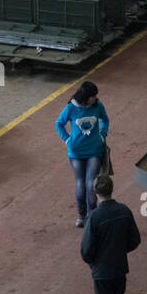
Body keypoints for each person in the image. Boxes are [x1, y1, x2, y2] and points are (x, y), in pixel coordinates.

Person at [79, 174, 141, 294]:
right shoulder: (124, 210)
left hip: (102, 272)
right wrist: (119, 250)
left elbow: (86, 250)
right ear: (112, 189)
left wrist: (94, 262)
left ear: (95, 192)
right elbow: (135, 239)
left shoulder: (94, 217)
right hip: (120, 268)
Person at [55, 81, 110, 227]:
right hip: (77, 152)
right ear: (85, 96)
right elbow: (59, 123)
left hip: (93, 150)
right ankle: (84, 215)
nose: (95, 98)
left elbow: (105, 120)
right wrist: (67, 140)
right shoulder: (71, 107)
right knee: (82, 183)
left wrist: (103, 134)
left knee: (89, 183)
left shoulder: (97, 105)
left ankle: (87, 215)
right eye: (93, 96)